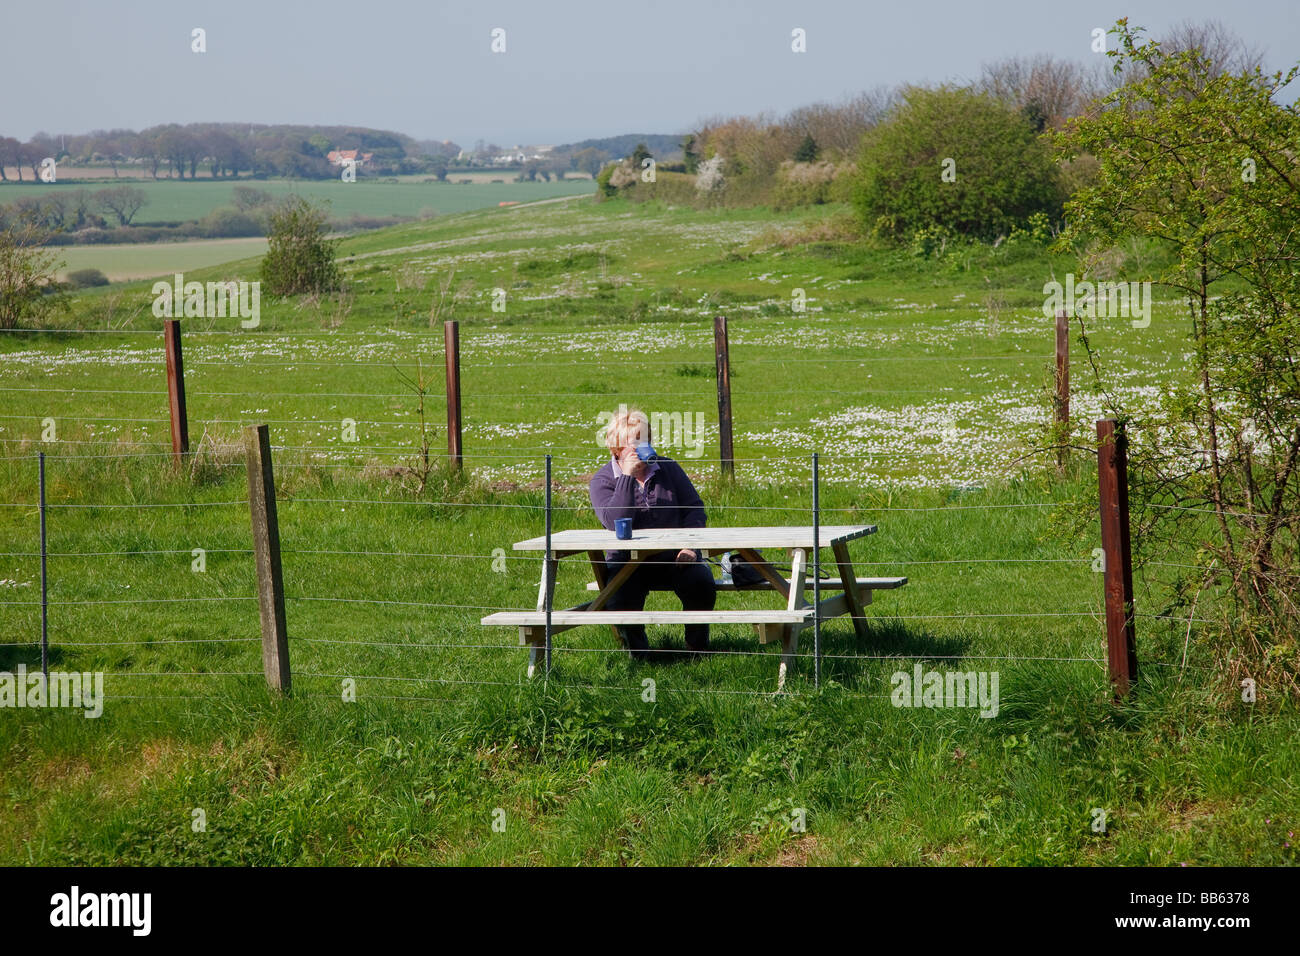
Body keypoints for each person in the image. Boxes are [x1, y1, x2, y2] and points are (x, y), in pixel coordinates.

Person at [588, 407, 716, 660]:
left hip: (672, 557)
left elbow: (694, 509)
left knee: (700, 582)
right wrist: (627, 476)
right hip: (627, 561)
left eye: (644, 440)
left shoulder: (668, 469)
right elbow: (615, 521)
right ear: (615, 448)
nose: (640, 447)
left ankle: (697, 648)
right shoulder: (602, 480)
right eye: (632, 442)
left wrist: (690, 546)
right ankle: (640, 654)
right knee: (621, 596)